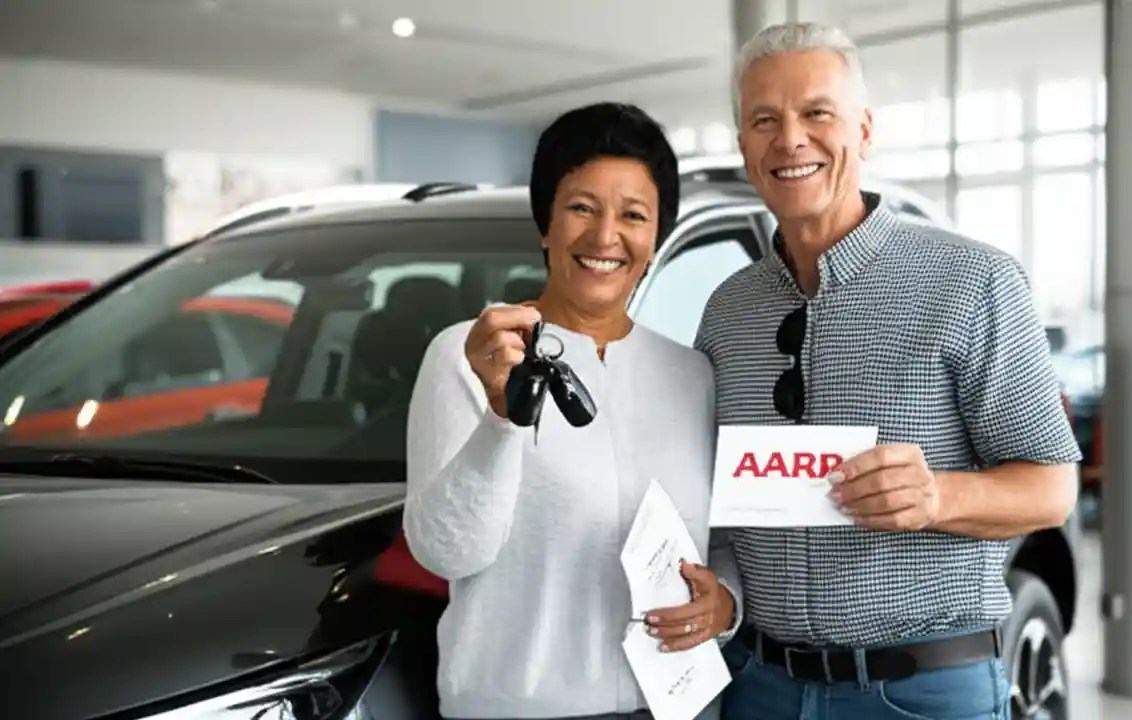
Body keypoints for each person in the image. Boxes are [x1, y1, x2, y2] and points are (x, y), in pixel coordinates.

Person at [694, 22, 1082, 720]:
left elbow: (1052, 488)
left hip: (924, 691)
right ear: (744, 144)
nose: (790, 139)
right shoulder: (726, 313)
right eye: (763, 120)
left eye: (817, 112)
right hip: (760, 688)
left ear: (864, 131)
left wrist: (938, 497)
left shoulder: (973, 281)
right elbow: (717, 503)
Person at [402, 102, 742, 720]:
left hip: (676, 708)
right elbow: (445, 552)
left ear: (656, 237)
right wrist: (502, 416)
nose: (605, 237)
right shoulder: (470, 353)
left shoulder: (692, 375)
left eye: (633, 215)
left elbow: (720, 544)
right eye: (582, 207)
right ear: (545, 223)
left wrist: (726, 607)